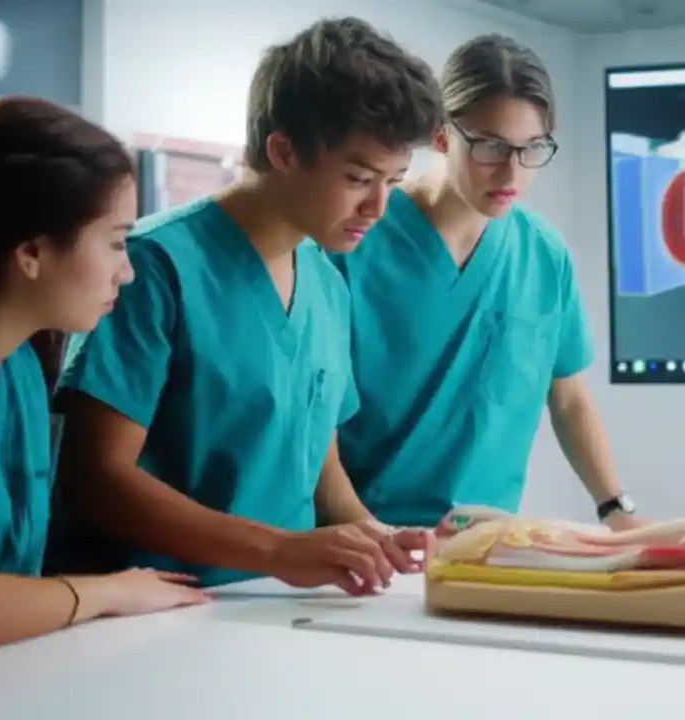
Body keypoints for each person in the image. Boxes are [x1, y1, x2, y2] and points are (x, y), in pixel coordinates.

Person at [53, 17, 443, 594]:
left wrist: (374, 537)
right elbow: (97, 478)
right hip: (155, 607)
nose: (378, 207)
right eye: (359, 177)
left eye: (394, 181)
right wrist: (280, 550)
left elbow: (320, 468)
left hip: (277, 604)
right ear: (283, 150)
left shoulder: (326, 282)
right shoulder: (153, 266)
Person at [0, 96, 209, 655]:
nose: (126, 272)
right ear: (31, 251)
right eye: (115, 242)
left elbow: (0, 599)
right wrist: (108, 592)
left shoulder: (21, 373)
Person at [327, 35, 646, 532]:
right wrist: (360, 529)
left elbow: (568, 397)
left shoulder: (543, 253)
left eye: (532, 149)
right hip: (364, 541)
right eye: (491, 147)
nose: (512, 172)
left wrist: (614, 509)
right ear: (440, 135)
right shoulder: (355, 241)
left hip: (487, 542)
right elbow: (312, 416)